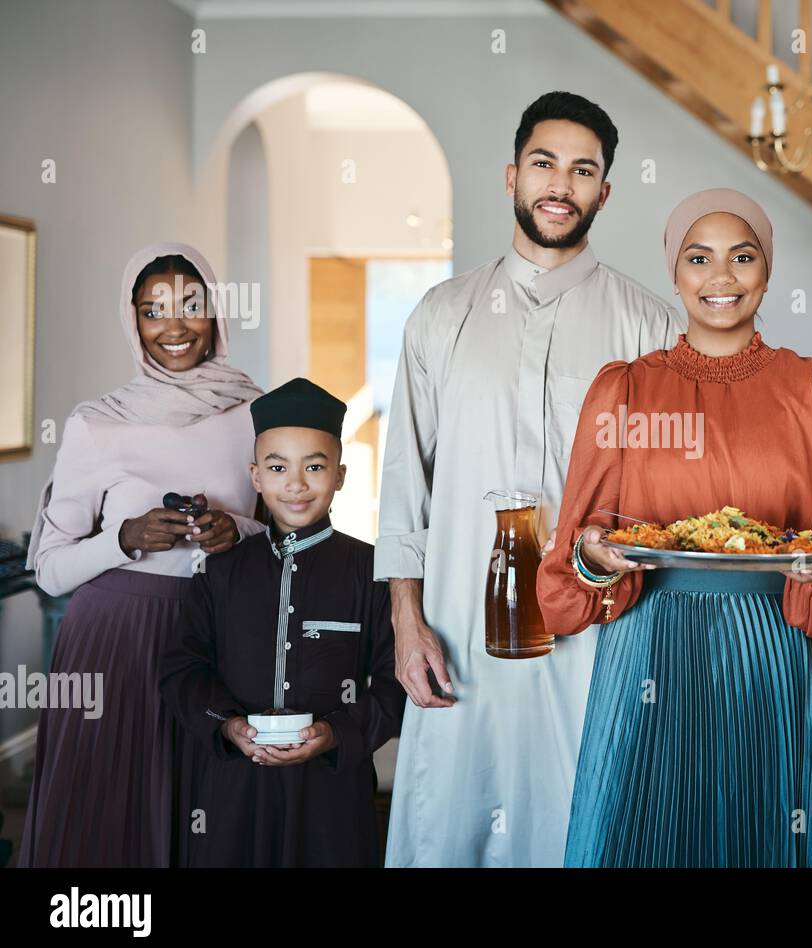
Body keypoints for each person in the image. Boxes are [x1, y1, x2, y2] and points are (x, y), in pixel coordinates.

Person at [536, 187, 812, 867]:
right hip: (647, 646)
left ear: (767, 271)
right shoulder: (625, 390)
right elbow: (571, 566)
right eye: (700, 258)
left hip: (772, 650)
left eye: (742, 256)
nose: (721, 277)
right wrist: (592, 558)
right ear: (675, 272)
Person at [376, 91, 681, 867]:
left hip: (594, 627)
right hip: (456, 621)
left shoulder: (648, 327)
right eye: (545, 163)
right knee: (453, 814)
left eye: (583, 171)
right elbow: (406, 482)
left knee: (581, 811)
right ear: (513, 174)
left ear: (604, 192)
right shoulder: (441, 316)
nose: (561, 184)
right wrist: (407, 622)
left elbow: (669, 494)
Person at [21, 242, 262, 866]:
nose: (174, 326)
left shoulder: (258, 413)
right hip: (115, 642)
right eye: (153, 310)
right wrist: (121, 540)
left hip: (219, 635)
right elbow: (49, 570)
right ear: (133, 322)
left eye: (191, 304)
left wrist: (238, 529)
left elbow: (296, 534)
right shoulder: (98, 424)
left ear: (217, 312)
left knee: (207, 805)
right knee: (113, 810)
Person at [159, 378, 404, 866]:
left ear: (340, 475)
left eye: (314, 466)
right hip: (232, 786)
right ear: (255, 476)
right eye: (277, 467)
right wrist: (227, 726)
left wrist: (336, 733)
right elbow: (180, 671)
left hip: (333, 790)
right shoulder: (220, 571)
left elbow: (396, 682)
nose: (295, 484)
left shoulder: (373, 572)